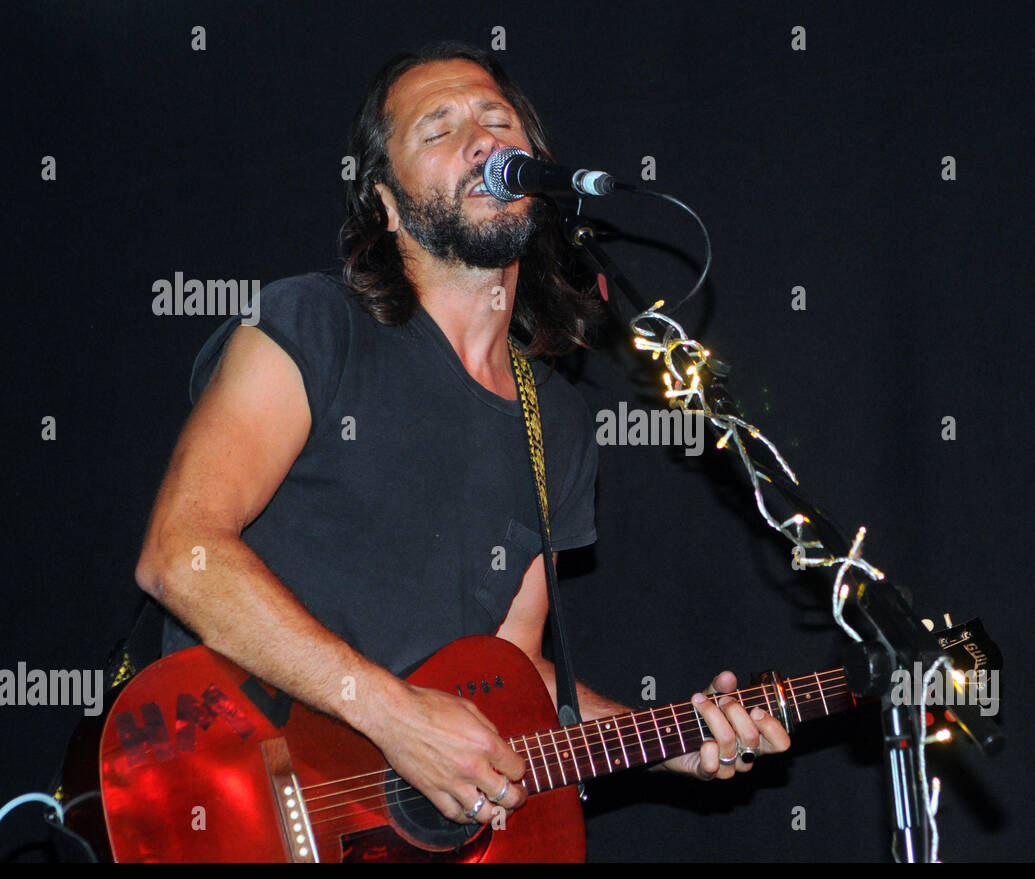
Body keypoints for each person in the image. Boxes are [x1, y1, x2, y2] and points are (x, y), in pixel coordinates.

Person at [134, 40, 789, 833]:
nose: (481, 138)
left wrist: (671, 740)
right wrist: (393, 715)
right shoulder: (312, 326)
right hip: (237, 804)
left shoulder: (561, 423)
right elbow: (180, 554)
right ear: (384, 202)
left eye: (497, 120)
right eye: (437, 130)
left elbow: (514, 684)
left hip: (392, 837)